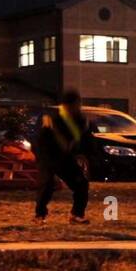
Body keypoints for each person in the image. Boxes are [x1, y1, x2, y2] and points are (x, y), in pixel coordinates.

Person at [35, 90, 93, 225]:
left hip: (65, 157)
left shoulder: (80, 120)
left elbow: (84, 139)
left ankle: (77, 214)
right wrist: (43, 160)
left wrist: (84, 154)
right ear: (67, 105)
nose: (77, 107)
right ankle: (39, 215)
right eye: (75, 104)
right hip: (49, 157)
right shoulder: (53, 118)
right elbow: (41, 141)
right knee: (47, 185)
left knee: (81, 183)